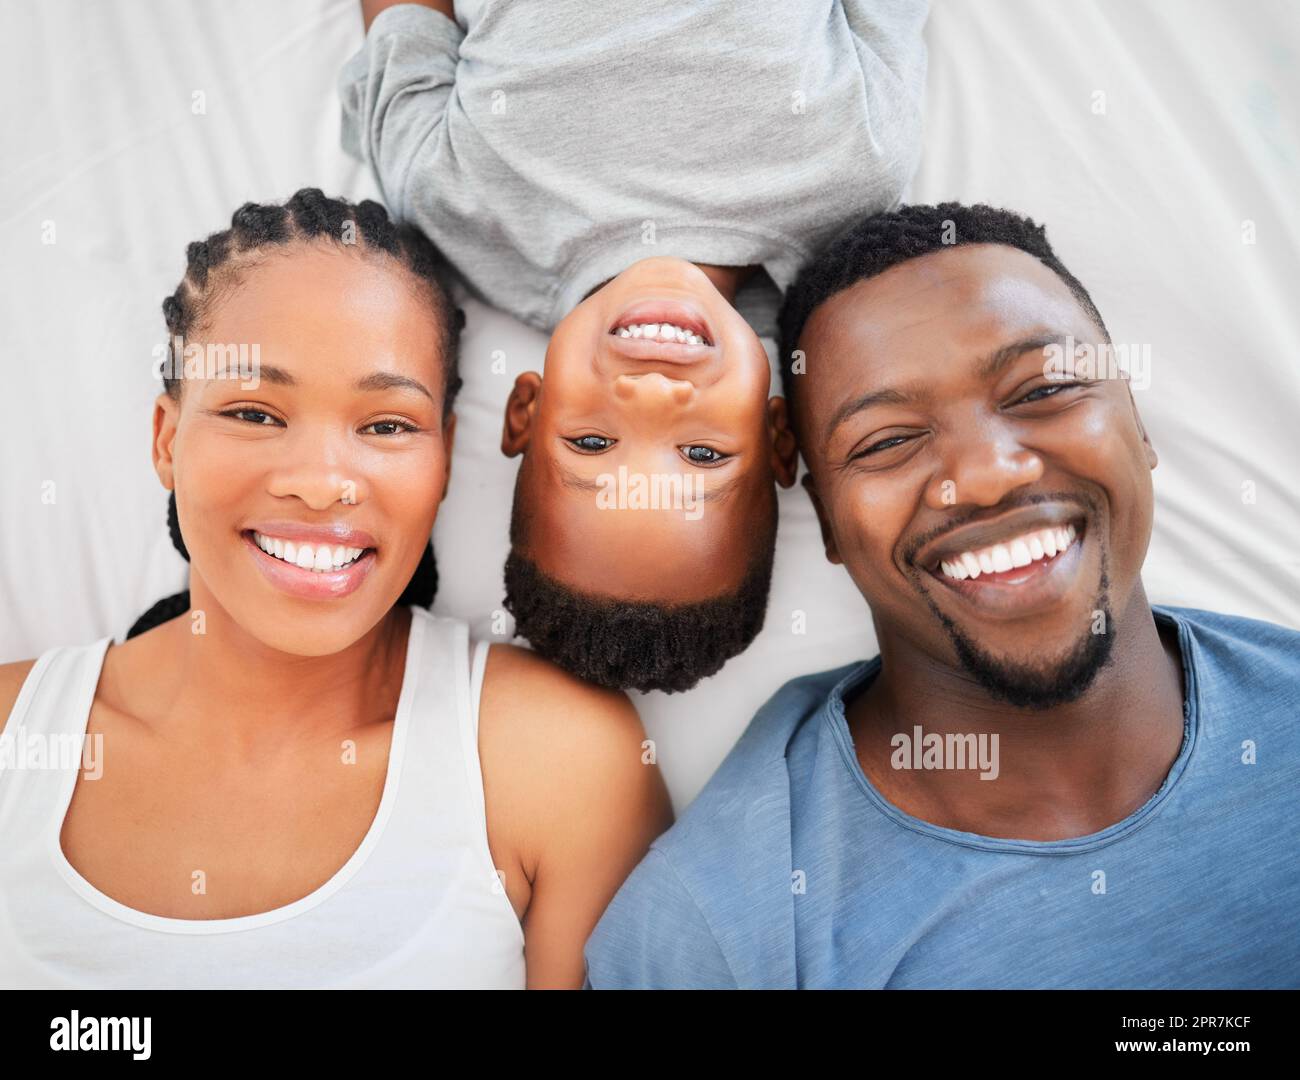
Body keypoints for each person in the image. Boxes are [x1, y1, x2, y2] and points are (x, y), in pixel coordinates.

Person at [583, 203, 1300, 988]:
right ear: (823, 511)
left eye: (1043, 389)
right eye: (888, 441)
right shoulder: (715, 939)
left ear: (1135, 417)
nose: (988, 475)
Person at [0, 189, 671, 990]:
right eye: (254, 413)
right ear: (167, 441)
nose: (322, 486)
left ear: (446, 458)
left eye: (386, 425)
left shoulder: (560, 760)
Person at [338, 0, 928, 691]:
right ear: (778, 437)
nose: (651, 391)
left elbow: (407, 21)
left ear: (525, 409)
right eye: (703, 454)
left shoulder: (454, 207)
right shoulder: (858, 166)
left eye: (591, 443)